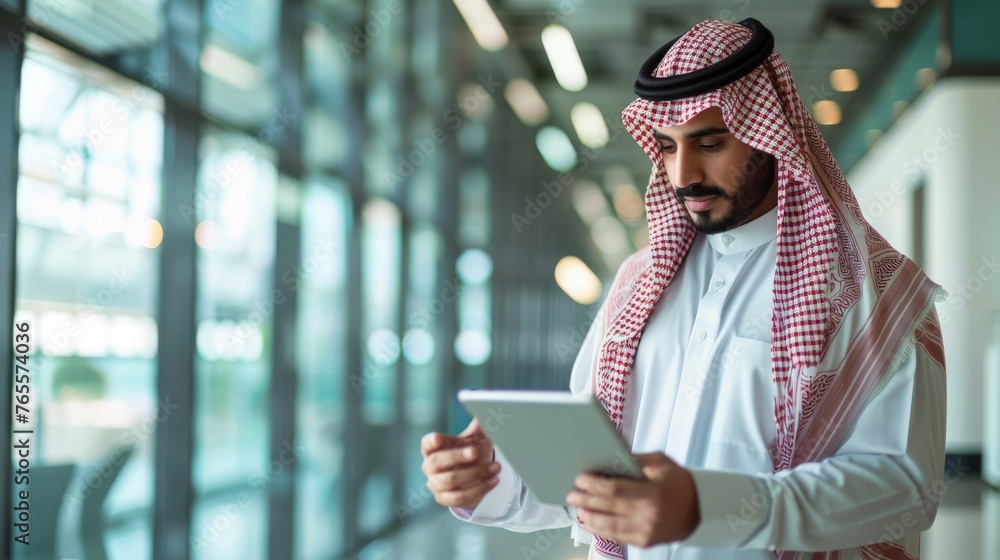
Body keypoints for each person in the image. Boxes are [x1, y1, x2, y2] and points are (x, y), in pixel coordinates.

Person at [421, 18, 947, 560]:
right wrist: (492, 481)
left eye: (710, 143)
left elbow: (903, 489)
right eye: (667, 147)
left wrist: (707, 507)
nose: (682, 174)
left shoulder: (877, 290)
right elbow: (593, 479)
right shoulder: (636, 283)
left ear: (773, 136)